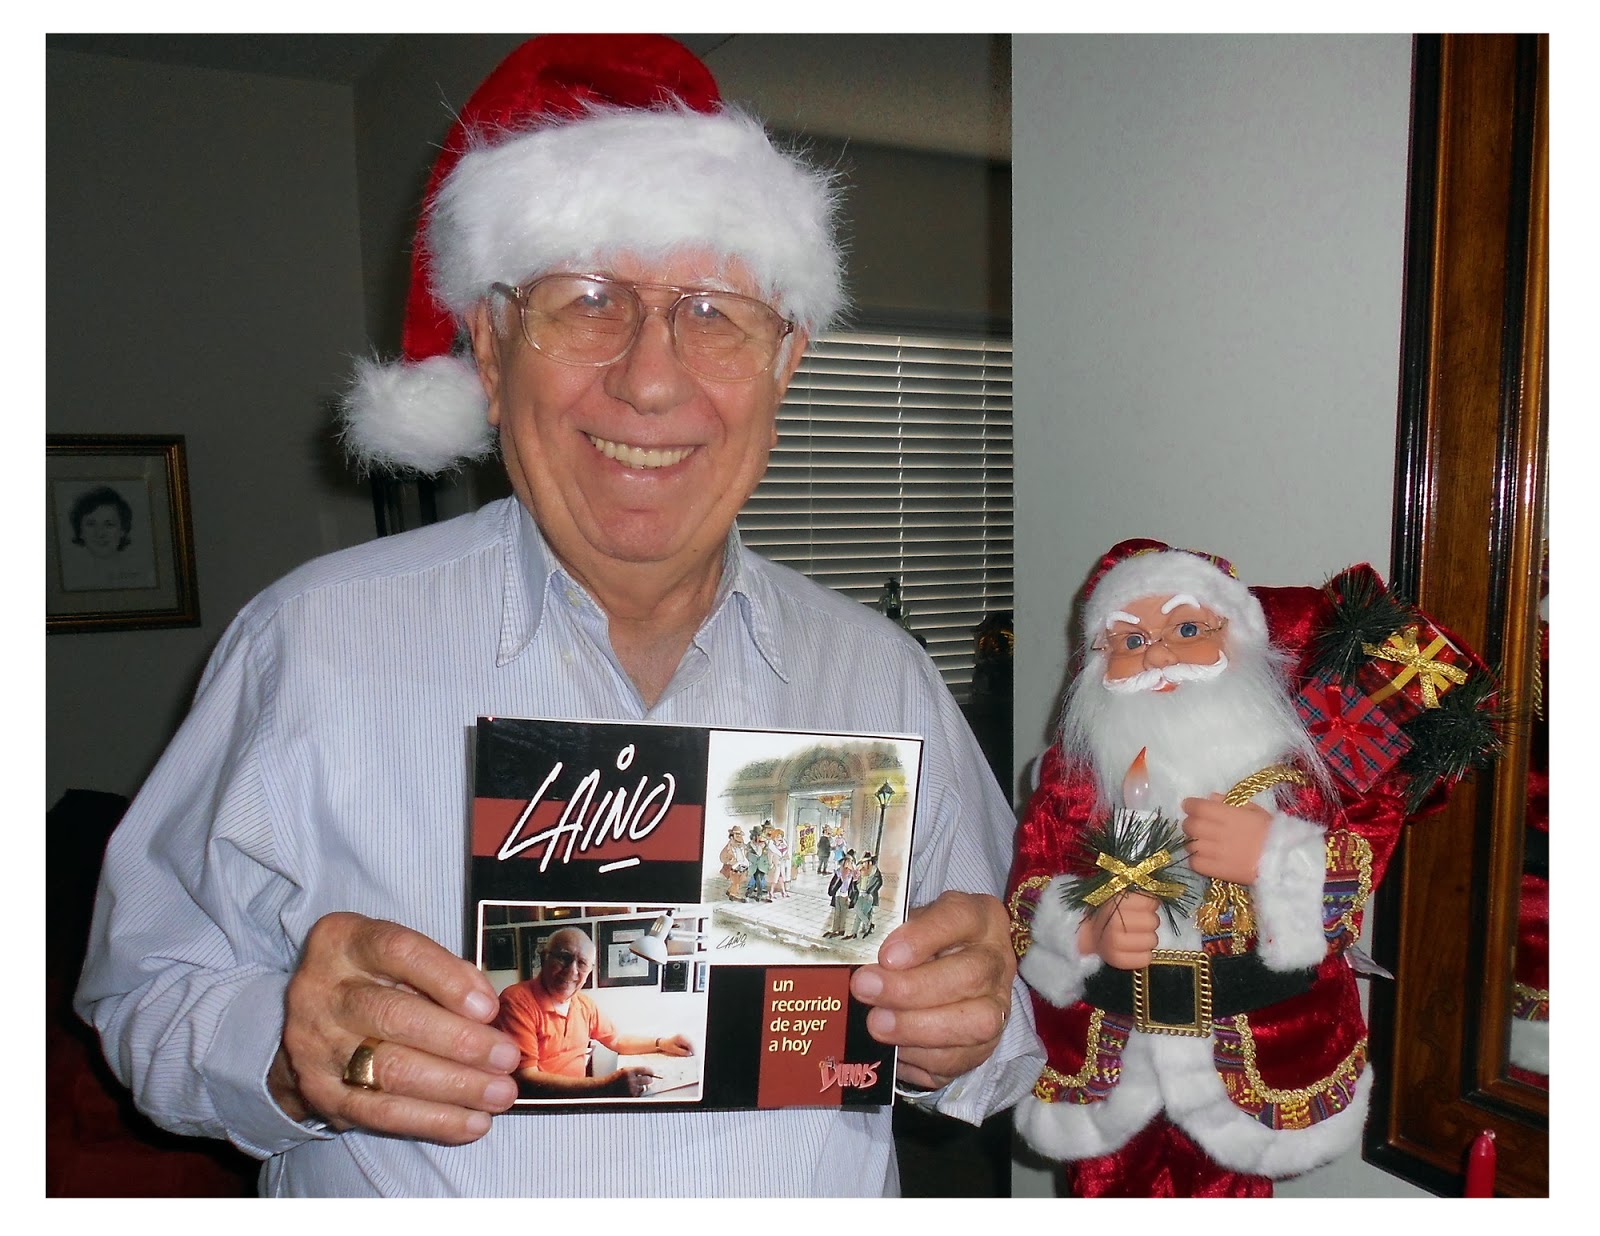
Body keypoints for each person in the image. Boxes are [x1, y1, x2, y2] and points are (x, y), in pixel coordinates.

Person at [75, 34, 1038, 1197]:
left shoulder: (881, 675)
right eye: (585, 301)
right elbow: (140, 990)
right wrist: (280, 1050)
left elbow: (1011, 1028)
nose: (648, 379)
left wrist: (974, 1023)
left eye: (714, 311)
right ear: (487, 346)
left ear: (786, 360)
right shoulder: (310, 644)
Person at [1007, 539, 1492, 1197]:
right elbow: (1028, 894)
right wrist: (1086, 932)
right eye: (1129, 639)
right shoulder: (1076, 777)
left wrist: (1275, 855)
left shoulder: (1296, 770)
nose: (1157, 655)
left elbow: (1349, 887)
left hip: (1256, 1059)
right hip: (1112, 1063)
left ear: (1239, 639)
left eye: (1185, 628)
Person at [492, 928, 693, 1099]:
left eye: (581, 963)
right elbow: (526, 1079)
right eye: (564, 957)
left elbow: (617, 1041)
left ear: (590, 970)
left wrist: (662, 1043)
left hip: (578, 1099)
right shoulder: (516, 1001)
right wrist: (607, 1086)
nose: (571, 971)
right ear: (544, 957)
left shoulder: (583, 1004)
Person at [824, 852, 859, 938]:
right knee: (837, 913)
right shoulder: (839, 872)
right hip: (838, 895)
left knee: (843, 914)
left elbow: (853, 888)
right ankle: (835, 929)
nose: (847, 864)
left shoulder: (852, 875)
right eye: (846, 862)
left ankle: (841, 930)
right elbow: (833, 884)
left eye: (849, 862)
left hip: (846, 896)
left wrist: (851, 897)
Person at [850, 854, 883, 939]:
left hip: (869, 895)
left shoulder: (875, 872)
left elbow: (879, 883)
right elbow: (855, 882)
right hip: (860, 894)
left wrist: (869, 892)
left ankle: (860, 930)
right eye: (862, 862)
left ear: (870, 862)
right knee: (858, 910)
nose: (863, 864)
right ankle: (868, 924)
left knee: (867, 912)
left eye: (864, 862)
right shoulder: (861, 871)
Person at [719, 826, 750, 902]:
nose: (739, 837)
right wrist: (729, 861)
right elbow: (722, 857)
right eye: (736, 835)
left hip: (742, 865)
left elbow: (745, 852)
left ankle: (730, 891)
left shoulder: (742, 846)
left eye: (740, 834)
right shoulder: (729, 848)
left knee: (740, 880)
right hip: (733, 867)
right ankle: (733, 895)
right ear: (732, 837)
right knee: (736, 881)